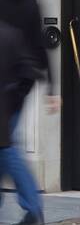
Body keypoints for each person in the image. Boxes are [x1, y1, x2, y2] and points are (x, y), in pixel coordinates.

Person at [0, 0, 57, 225]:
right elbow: (41, 43)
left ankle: (33, 210)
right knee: (4, 142)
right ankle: (32, 210)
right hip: (22, 82)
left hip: (5, 82)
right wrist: (51, 87)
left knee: (7, 146)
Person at [0, 22, 39, 202]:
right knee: (8, 153)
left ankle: (32, 207)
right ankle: (33, 208)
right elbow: (29, 72)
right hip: (8, 106)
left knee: (8, 153)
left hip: (7, 107)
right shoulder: (12, 33)